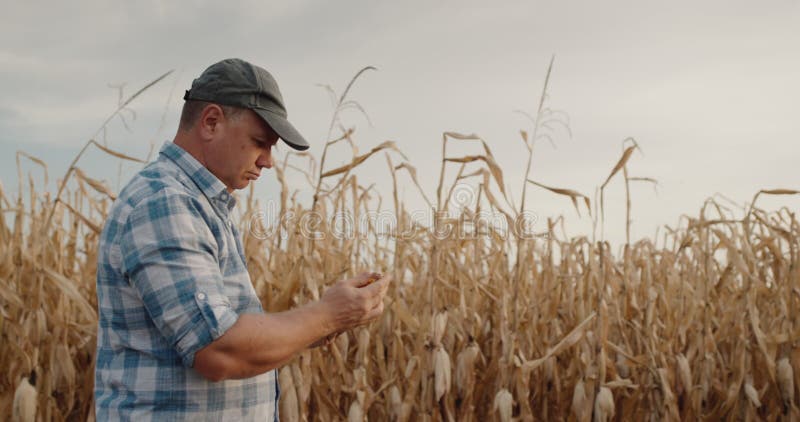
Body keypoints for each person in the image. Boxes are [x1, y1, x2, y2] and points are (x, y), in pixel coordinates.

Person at [94, 58, 390, 420]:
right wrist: (327, 315)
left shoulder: (201, 206)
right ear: (212, 122)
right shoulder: (165, 203)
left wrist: (327, 320)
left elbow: (226, 330)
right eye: (259, 142)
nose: (268, 161)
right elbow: (219, 350)